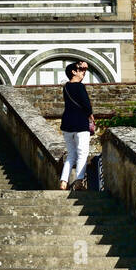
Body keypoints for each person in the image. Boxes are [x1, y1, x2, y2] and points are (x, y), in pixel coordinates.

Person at [59, 62, 92, 191]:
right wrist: (91, 116)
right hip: (80, 124)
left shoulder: (66, 87)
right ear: (73, 72)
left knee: (71, 154)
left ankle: (63, 181)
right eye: (80, 70)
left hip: (67, 124)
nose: (83, 72)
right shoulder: (80, 87)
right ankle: (79, 181)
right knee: (82, 153)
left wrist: (82, 66)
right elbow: (87, 105)